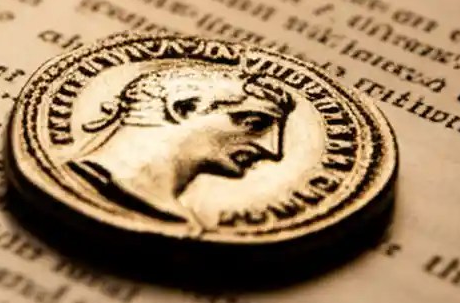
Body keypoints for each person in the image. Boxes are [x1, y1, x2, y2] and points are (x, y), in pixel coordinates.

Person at [66, 64, 293, 229]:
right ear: (184, 107)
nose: (273, 151)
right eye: (253, 124)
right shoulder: (81, 178)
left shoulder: (179, 218)